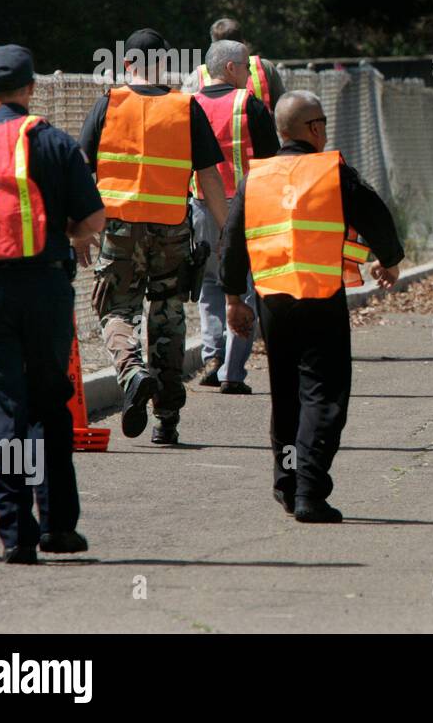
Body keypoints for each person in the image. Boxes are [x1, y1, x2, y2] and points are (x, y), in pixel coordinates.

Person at [0, 45, 105, 563]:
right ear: (32, 88)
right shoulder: (53, 142)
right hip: (45, 287)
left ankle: (16, 533)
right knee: (48, 401)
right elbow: (93, 220)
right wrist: (70, 233)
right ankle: (57, 525)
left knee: (2, 408)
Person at [221, 90, 403, 522]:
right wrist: (390, 260)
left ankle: (286, 483)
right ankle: (309, 490)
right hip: (320, 299)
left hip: (273, 302)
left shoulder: (257, 176)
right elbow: (374, 213)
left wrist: (233, 298)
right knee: (324, 394)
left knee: (285, 396)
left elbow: (231, 241)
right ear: (315, 128)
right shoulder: (331, 171)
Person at [78, 28, 228, 444]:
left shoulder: (109, 104)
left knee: (115, 310)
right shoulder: (186, 107)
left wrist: (77, 228)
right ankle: (168, 419)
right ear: (163, 64)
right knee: (168, 315)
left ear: (126, 65)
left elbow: (80, 170)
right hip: (172, 229)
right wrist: (228, 230)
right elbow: (210, 177)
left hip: (120, 228)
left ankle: (131, 371)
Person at [190, 39, 280, 393]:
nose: (247, 75)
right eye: (244, 68)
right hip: (244, 210)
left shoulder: (189, 105)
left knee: (210, 284)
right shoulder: (249, 105)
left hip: (199, 205)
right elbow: (273, 161)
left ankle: (213, 355)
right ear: (230, 68)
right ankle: (232, 371)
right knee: (242, 286)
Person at [185, 17, 285, 110]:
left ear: (213, 46)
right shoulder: (265, 68)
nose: (248, 71)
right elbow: (283, 109)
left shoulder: (197, 76)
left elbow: (185, 111)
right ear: (242, 42)